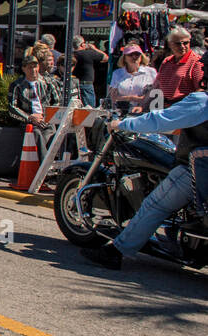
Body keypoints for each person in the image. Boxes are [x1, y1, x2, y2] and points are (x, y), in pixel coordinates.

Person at [82, 82, 208, 269]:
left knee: (154, 204)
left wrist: (124, 124)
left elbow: (162, 119)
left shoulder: (202, 101)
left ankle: (116, 251)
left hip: (197, 169)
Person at [8, 52, 63, 159]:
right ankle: (44, 167)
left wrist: (46, 116)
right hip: (29, 121)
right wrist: (30, 117)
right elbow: (12, 107)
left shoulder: (48, 82)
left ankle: (49, 165)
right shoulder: (17, 85)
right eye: (30, 67)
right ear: (24, 69)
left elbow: (57, 101)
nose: (33, 70)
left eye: (35, 66)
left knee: (51, 135)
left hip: (46, 119)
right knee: (36, 133)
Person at [152, 27, 203, 105]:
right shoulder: (167, 61)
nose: (182, 46)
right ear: (169, 44)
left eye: (185, 43)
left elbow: (201, 90)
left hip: (184, 109)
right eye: (178, 43)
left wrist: (185, 106)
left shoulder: (196, 62)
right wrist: (143, 105)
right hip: (165, 107)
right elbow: (157, 86)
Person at [108, 44, 156, 111]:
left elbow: (154, 95)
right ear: (124, 58)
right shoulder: (117, 73)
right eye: (130, 55)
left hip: (144, 112)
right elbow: (113, 97)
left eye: (137, 54)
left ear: (141, 56)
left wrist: (125, 98)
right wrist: (134, 98)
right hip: (122, 111)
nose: (134, 57)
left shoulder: (151, 72)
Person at [70, 35, 107, 107]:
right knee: (88, 110)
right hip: (86, 85)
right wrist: (94, 48)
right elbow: (105, 58)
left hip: (73, 85)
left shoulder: (71, 55)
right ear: (82, 44)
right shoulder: (88, 53)